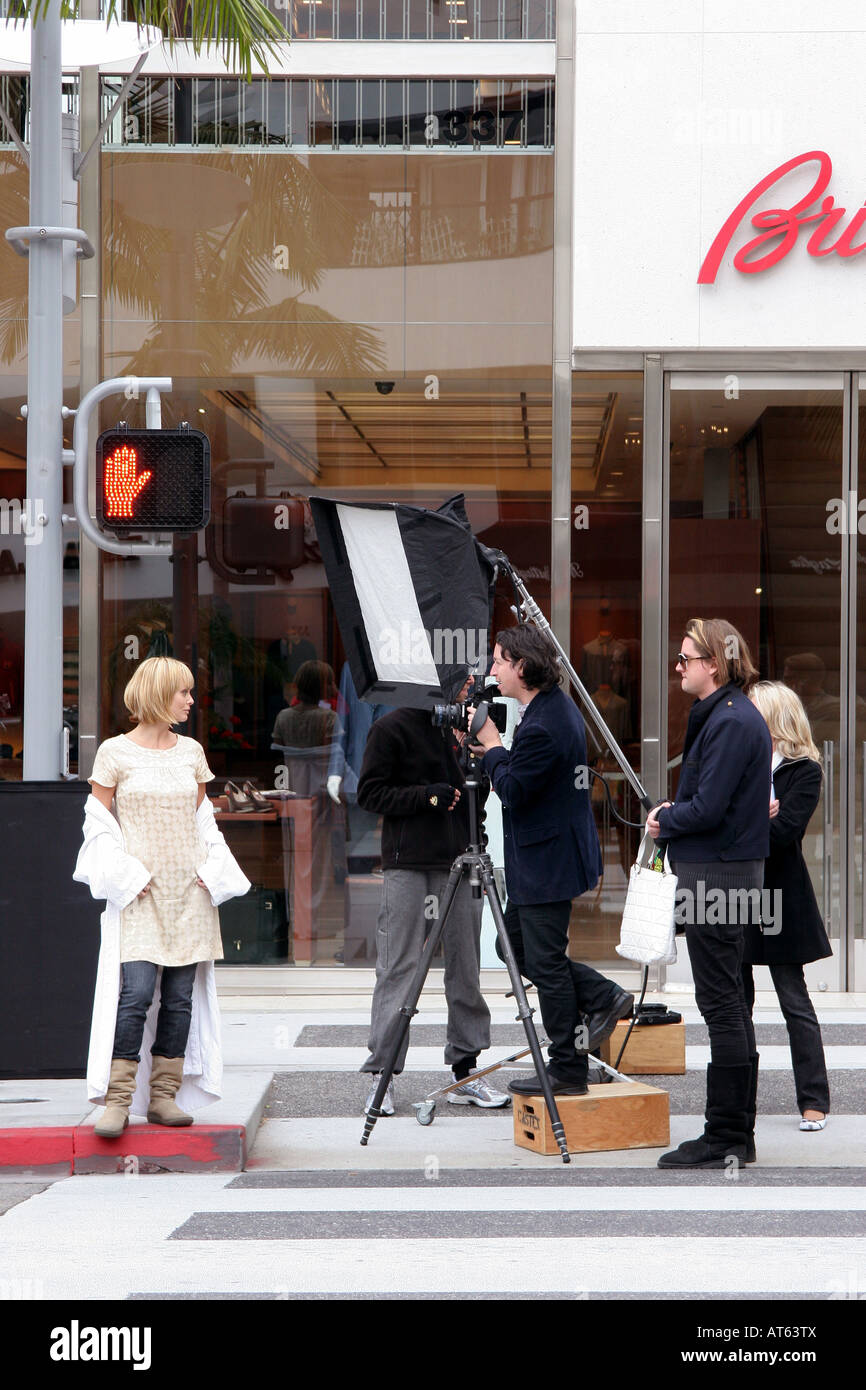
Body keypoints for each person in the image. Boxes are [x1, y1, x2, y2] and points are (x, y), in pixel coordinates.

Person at [74, 656, 250, 1138]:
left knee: (179, 999)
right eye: (184, 692)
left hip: (189, 895)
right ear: (157, 694)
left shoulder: (191, 752)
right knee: (133, 995)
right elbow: (98, 826)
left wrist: (212, 871)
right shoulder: (113, 753)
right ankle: (117, 1099)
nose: (191, 701)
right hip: (139, 896)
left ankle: (164, 1097)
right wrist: (126, 874)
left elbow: (204, 822)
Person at [469, 626, 633, 1099]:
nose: (493, 669)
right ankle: (603, 997)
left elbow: (515, 792)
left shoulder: (543, 721)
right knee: (513, 948)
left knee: (544, 961)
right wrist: (495, 755)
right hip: (543, 860)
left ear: (522, 666)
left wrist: (494, 746)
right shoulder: (544, 709)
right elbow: (524, 778)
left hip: (547, 863)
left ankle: (567, 1070)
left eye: (500, 661)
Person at [648, 618, 772, 1169]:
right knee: (732, 1003)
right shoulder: (733, 716)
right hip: (730, 874)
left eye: (686, 658)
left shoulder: (729, 720)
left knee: (721, 1004)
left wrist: (664, 819)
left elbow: (709, 807)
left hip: (717, 878)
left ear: (714, 665)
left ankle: (725, 1135)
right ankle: (735, 1132)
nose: (679, 666)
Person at [356, 681, 509, 1114]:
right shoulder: (392, 728)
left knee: (465, 967)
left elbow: (473, 801)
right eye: (460, 685)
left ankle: (466, 1071)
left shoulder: (466, 731)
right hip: (408, 863)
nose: (467, 694)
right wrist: (426, 796)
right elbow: (369, 793)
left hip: (461, 858)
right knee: (399, 967)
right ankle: (383, 1076)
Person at [745, 681, 832, 1132]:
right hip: (737, 894)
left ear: (774, 717)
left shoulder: (804, 770)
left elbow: (785, 834)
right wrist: (760, 814)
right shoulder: (741, 760)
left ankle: (814, 1100)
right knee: (736, 1005)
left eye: (753, 710)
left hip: (781, 896)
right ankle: (740, 1105)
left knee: (793, 999)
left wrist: (749, 819)